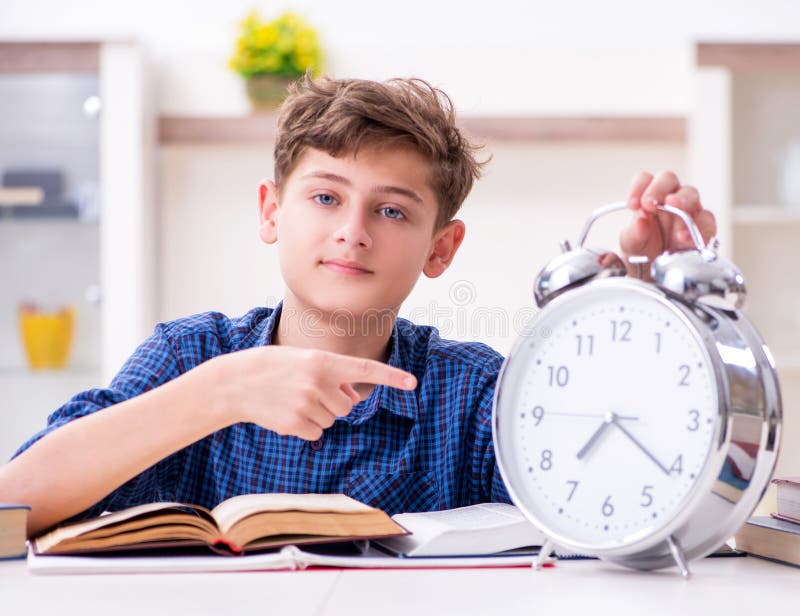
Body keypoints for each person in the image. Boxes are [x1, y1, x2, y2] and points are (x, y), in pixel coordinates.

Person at [0, 75, 716, 537]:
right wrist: (222, 392)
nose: (352, 229)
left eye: (394, 211)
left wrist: (653, 311)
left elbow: (636, 503)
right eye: (324, 197)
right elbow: (15, 500)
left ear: (443, 248)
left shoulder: (474, 395)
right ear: (270, 211)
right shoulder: (193, 358)